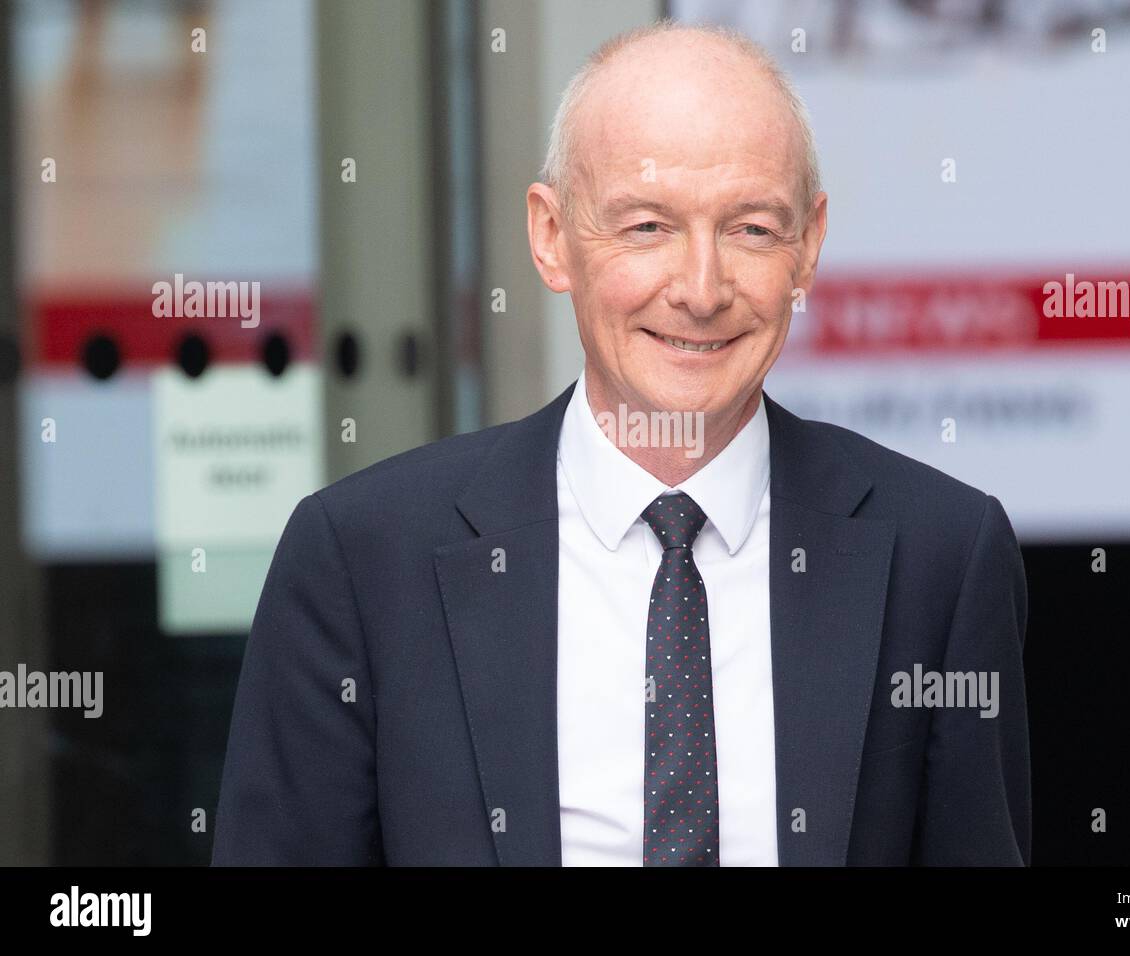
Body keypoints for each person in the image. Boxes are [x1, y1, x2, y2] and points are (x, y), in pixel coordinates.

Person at [212, 19, 1029, 866]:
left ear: (808, 247)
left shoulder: (942, 555)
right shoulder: (362, 560)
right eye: (646, 227)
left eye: (751, 228)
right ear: (551, 237)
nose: (701, 289)